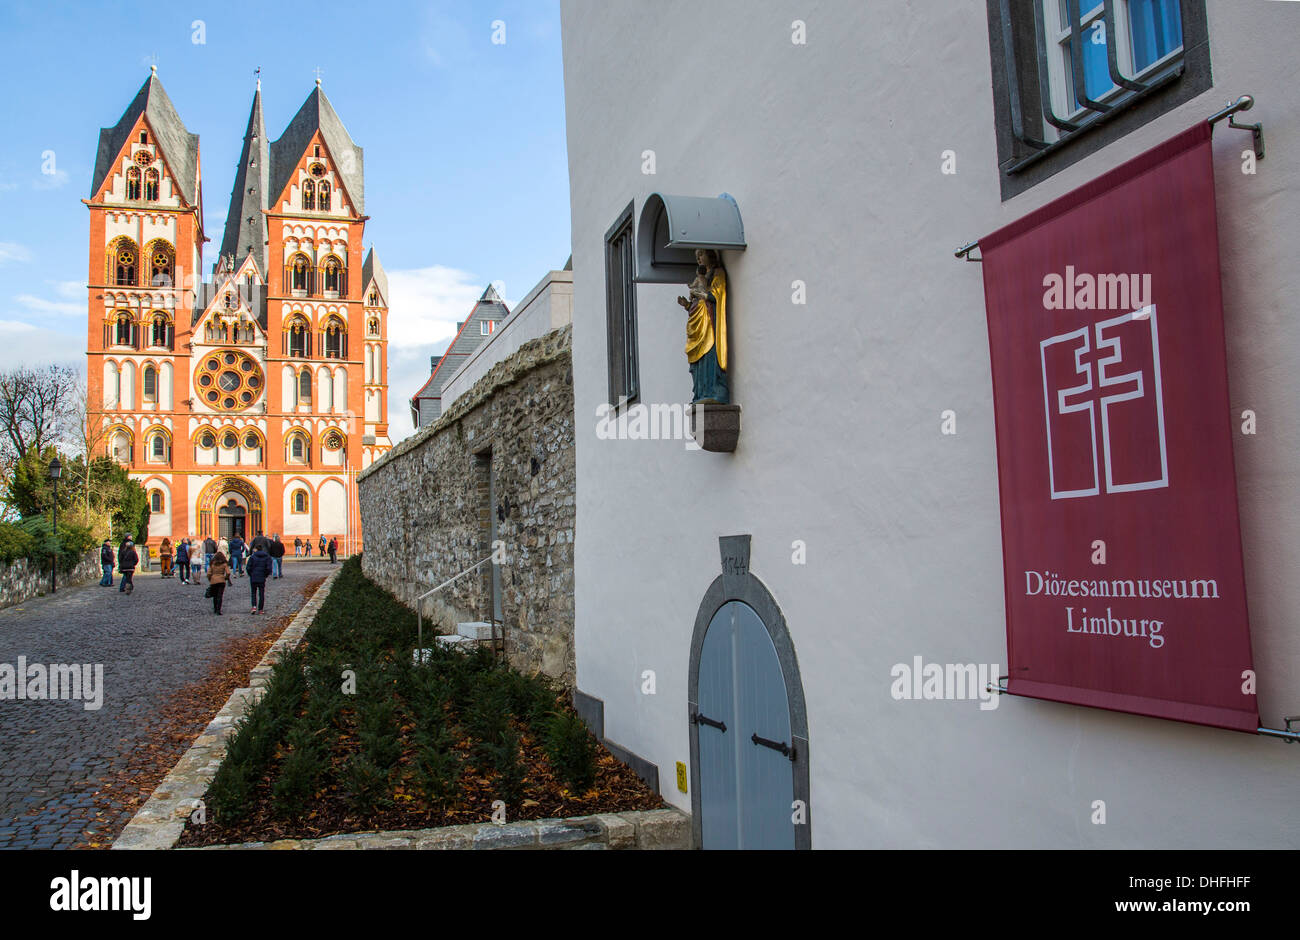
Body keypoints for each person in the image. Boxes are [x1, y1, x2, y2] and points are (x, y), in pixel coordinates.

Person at [246, 541, 272, 614]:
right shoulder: (267, 557)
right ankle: (260, 609)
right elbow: (269, 568)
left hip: (253, 577)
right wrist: (265, 575)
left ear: (256, 549)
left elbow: (248, 568)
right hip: (262, 577)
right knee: (261, 593)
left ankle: (254, 606)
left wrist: (250, 574)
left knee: (253, 593)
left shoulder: (252, 557)